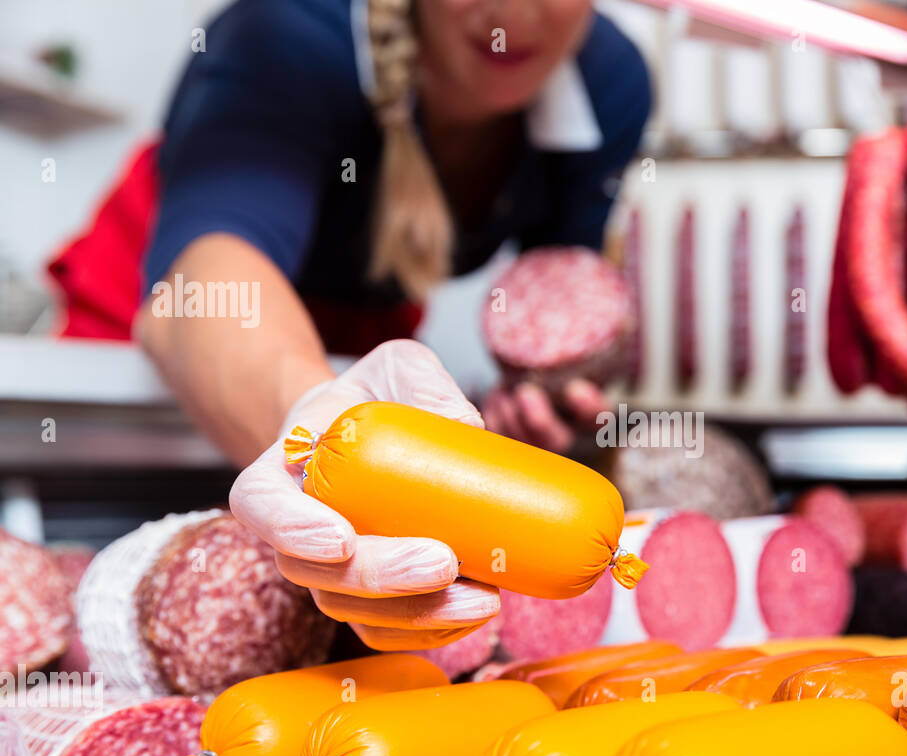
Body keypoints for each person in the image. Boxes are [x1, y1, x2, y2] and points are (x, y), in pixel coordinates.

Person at [49, 0, 651, 648]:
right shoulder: (284, 31)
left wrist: (530, 409)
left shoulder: (608, 81)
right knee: (132, 586)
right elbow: (204, 287)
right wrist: (317, 424)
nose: (513, 11)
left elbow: (553, 302)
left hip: (354, 336)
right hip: (189, 323)